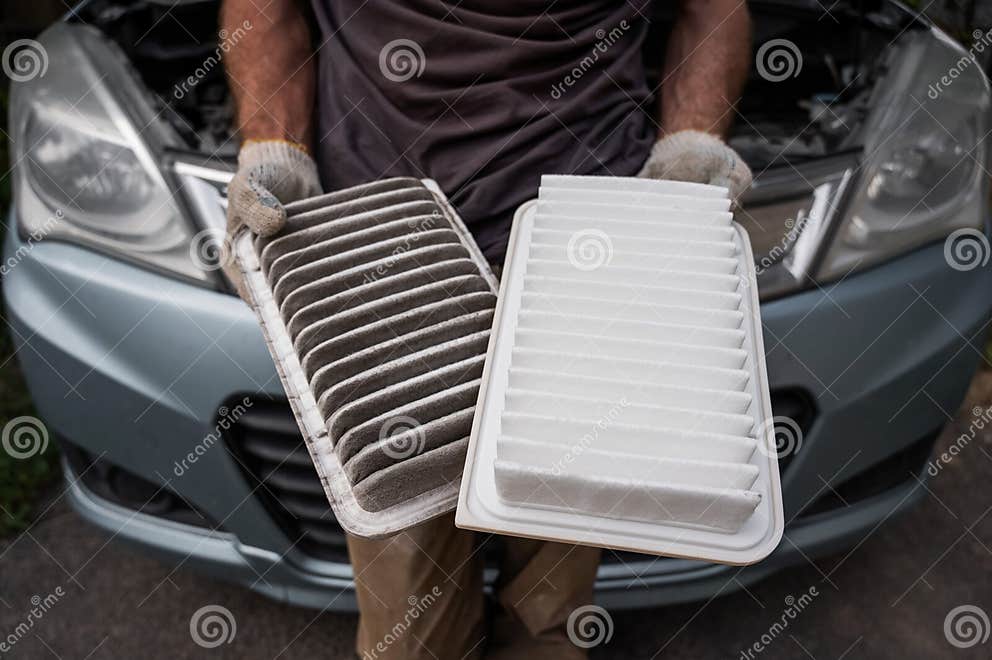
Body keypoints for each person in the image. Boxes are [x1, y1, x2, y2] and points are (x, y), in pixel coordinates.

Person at [221, 1, 752, 657]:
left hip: (585, 244)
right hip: (386, 247)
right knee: (411, 623)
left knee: (554, 583)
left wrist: (693, 145)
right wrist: (275, 148)